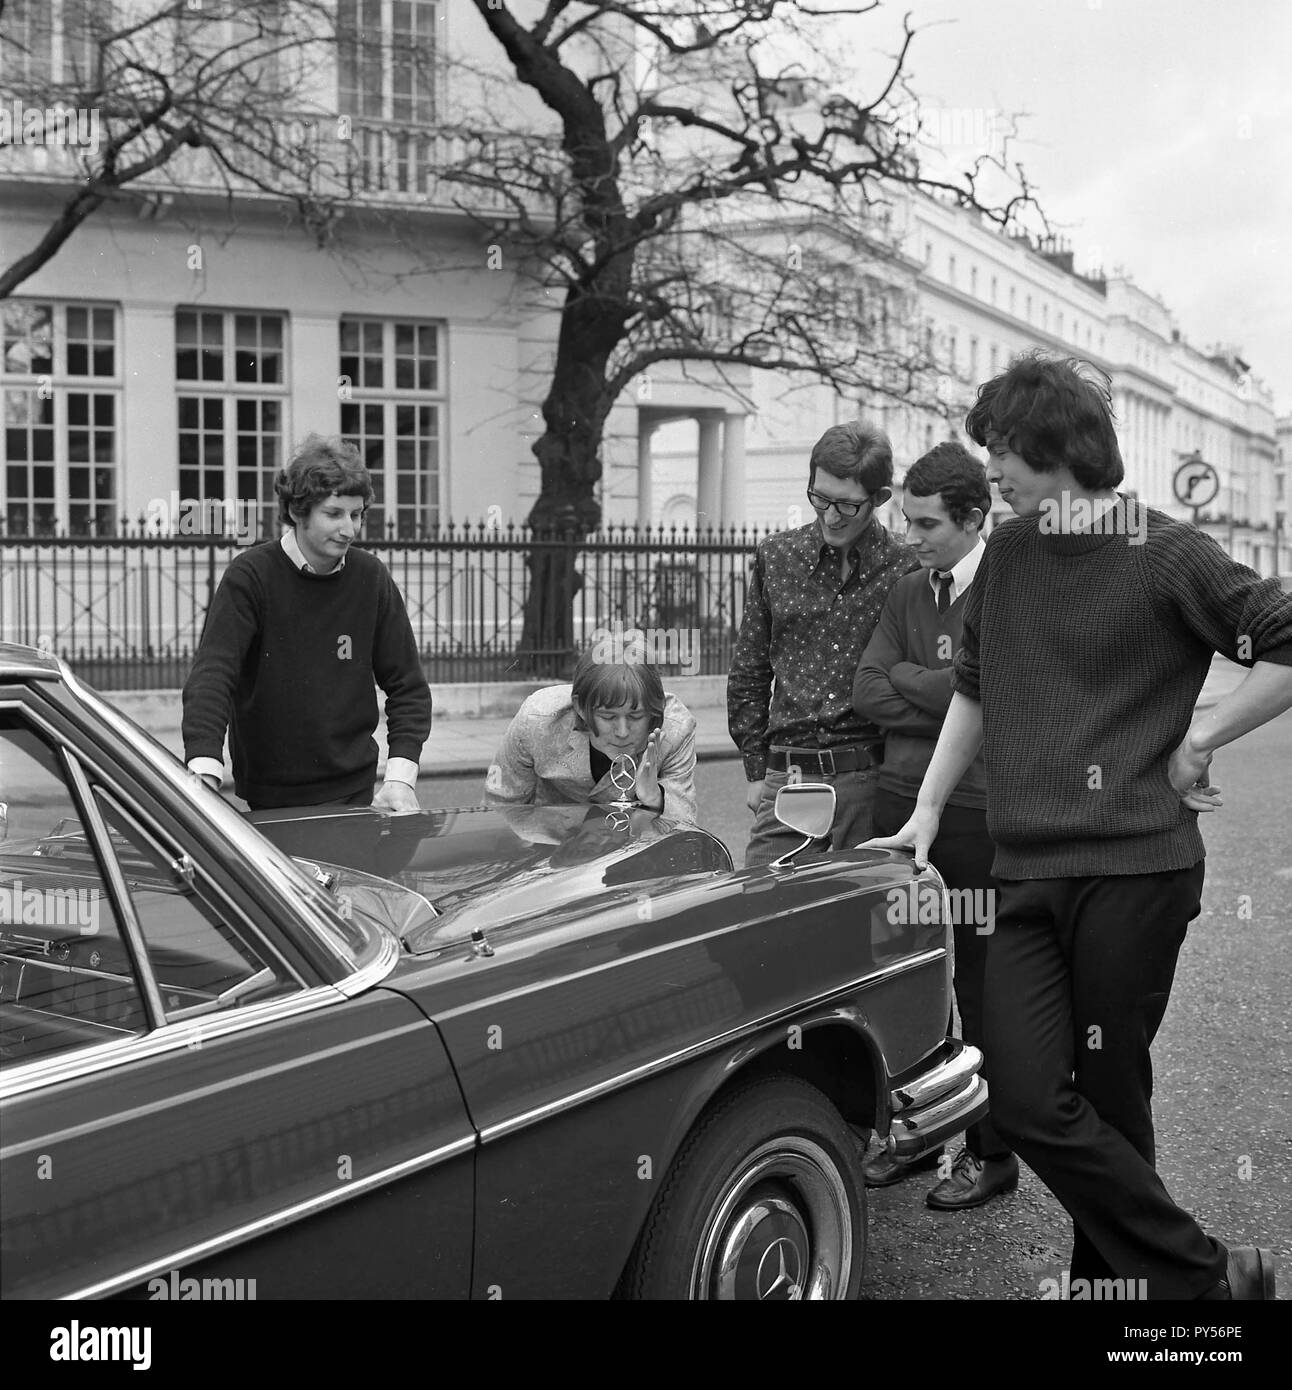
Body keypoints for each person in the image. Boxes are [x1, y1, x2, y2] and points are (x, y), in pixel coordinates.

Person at [863, 352, 1292, 1300]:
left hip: (1135, 871)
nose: (993, 471)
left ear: (1063, 448)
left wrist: (1205, 736)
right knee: (1019, 1092)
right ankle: (1209, 1277)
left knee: (1109, 1094)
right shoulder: (1013, 551)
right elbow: (975, 687)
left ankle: (1126, 1300)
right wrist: (926, 812)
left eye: (1005, 451)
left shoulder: (1166, 551)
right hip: (1026, 867)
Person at [853, 442, 1016, 1206]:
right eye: (906, 520)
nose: (909, 537)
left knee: (981, 986)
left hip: (977, 811)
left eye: (924, 524)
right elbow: (866, 690)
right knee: (904, 978)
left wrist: (925, 688)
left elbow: (988, 695)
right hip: (897, 803)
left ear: (974, 518)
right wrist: (948, 693)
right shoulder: (906, 589)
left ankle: (991, 1152)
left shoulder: (1007, 589)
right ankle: (917, 1135)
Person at [183, 435, 431, 812]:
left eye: (357, 514)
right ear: (298, 512)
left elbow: (408, 686)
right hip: (271, 794)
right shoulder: (250, 576)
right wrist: (203, 768)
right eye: (334, 514)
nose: (349, 528)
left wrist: (400, 779)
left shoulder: (371, 577)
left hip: (354, 787)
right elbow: (213, 676)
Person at [728, 421, 918, 868]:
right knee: (763, 911)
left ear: (879, 499)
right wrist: (756, 770)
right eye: (819, 498)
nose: (830, 516)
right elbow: (750, 671)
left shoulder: (905, 567)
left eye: (847, 506)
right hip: (786, 778)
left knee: (864, 918)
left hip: (870, 776)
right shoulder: (775, 556)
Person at [485, 651, 698, 823]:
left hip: (634, 857)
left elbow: (684, 827)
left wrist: (655, 799)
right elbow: (500, 807)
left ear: (656, 708)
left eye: (636, 716)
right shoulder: (537, 719)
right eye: (608, 716)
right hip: (551, 853)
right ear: (580, 707)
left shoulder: (675, 729)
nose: (622, 732)